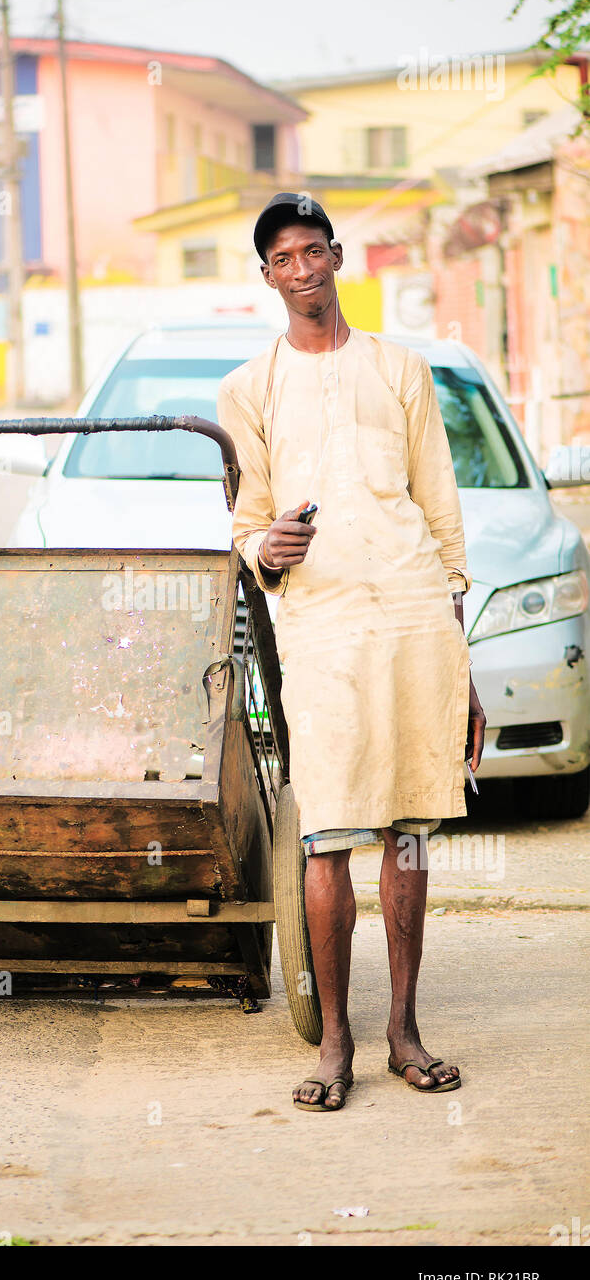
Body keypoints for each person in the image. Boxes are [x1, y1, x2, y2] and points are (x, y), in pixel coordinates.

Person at [216, 194, 486, 1112]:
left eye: (313, 252)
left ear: (338, 258)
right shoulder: (249, 388)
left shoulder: (399, 369)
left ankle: (402, 1031)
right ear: (269, 277)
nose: (303, 270)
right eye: (283, 258)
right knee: (327, 831)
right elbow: (249, 523)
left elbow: (440, 506)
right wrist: (266, 551)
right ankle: (335, 1043)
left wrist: (463, 646)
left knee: (408, 829)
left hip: (414, 613)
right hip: (321, 627)